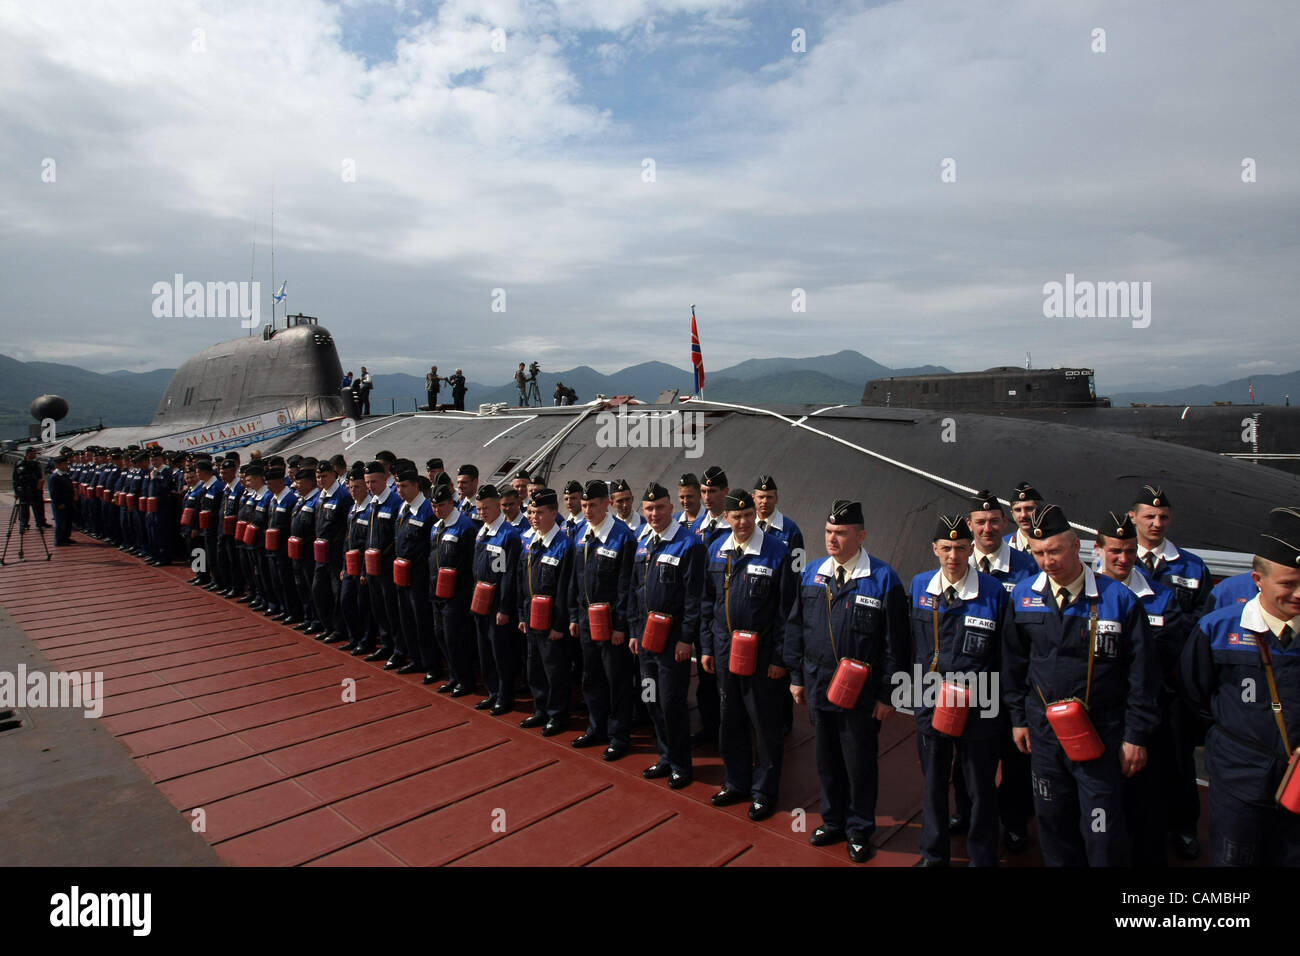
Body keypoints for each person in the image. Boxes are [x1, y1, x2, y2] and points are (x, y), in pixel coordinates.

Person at [1003, 504, 1160, 866]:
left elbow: (1142, 675)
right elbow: (1014, 663)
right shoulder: (1024, 595)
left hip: (1100, 732)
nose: (1047, 561)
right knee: (1053, 823)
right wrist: (1018, 719)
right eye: (1039, 553)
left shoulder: (1118, 601)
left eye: (1055, 551)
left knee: (1102, 828)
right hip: (1044, 732)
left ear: (1077, 546)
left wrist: (1135, 735)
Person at [786, 498, 910, 863]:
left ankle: (859, 828)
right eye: (828, 532)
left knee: (859, 762)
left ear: (861, 535)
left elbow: (896, 645)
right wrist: (796, 676)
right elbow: (796, 627)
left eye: (840, 533)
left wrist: (888, 695)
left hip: (861, 693)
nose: (832, 539)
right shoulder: (812, 574)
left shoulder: (882, 579)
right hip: (820, 683)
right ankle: (833, 820)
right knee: (826, 759)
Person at [1181, 506, 1300, 866]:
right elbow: (1195, 693)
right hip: (1239, 776)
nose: (1298, 594)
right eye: (1288, 584)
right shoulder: (1218, 629)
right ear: (1258, 580)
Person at [908, 515, 1013, 867]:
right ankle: (932, 853)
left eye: (961, 548)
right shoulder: (921, 587)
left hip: (980, 703)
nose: (953, 555)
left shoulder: (993, 592)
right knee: (933, 783)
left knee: (980, 786)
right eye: (946, 548)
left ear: (972, 549)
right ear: (935, 549)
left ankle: (983, 857)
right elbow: (911, 645)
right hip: (930, 700)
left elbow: (1005, 654)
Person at [1094, 510, 1189, 866]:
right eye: (1115, 551)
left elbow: (1170, 658)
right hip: (1100, 716)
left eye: (1130, 551)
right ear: (1099, 549)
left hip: (1147, 717)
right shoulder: (1084, 597)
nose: (1123, 559)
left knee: (1148, 805)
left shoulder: (1161, 598)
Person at [701, 489, 796, 820]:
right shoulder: (716, 550)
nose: (742, 521)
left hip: (762, 652)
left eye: (747, 515)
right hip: (726, 650)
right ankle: (736, 781)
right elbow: (707, 603)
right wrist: (708, 647)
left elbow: (787, 612)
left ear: (755, 515)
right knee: (731, 721)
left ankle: (764, 791)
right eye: (736, 516)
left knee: (765, 725)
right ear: (726, 518)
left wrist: (779, 659)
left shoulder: (776, 553)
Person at [1129, 483, 1209, 858]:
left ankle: (1184, 826)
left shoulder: (1191, 566)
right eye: (1149, 516)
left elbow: (1202, 622)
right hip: (1131, 685)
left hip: (1172, 683)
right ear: (1134, 518)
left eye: (1162, 516)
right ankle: (1141, 826)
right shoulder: (1116, 563)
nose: (1157, 522)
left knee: (1177, 761)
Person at [961, 489, 1039, 853]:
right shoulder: (959, 561)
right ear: (970, 525)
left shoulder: (1026, 569)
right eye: (980, 522)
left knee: (1014, 756)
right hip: (968, 679)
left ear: (1004, 523)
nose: (987, 528)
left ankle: (1014, 821)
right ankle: (965, 813)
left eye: (994, 521)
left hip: (1007, 678)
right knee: (965, 755)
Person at [630, 482, 705, 789]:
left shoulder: (689, 545)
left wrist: (686, 638)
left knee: (672, 702)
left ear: (671, 508)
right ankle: (665, 755)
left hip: (672, 641)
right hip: (646, 639)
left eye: (660, 507)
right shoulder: (642, 540)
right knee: (651, 699)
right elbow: (636, 589)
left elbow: (693, 598)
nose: (654, 514)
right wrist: (635, 630)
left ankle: (680, 764)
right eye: (648, 509)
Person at [568, 479, 638, 760]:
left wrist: (621, 625)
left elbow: (626, 586)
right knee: (591, 676)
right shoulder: (582, 534)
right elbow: (576, 579)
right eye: (584, 505)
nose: (587, 510)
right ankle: (596, 727)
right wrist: (574, 615)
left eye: (593, 505)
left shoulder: (622, 537)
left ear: (607, 504)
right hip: (586, 618)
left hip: (611, 622)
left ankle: (619, 735)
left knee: (617, 680)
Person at [517, 487, 574, 736]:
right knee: (535, 668)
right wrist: (521, 615)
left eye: (540, 512)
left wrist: (559, 625)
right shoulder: (530, 542)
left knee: (555, 671)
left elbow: (565, 590)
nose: (534, 517)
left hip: (551, 622)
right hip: (531, 617)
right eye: (531, 512)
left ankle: (557, 714)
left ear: (554, 513)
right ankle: (540, 709)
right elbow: (523, 582)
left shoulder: (564, 546)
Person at [471, 484, 522, 715]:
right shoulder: (483, 531)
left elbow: (508, 575)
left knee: (500, 652)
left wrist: (504, 607)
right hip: (480, 600)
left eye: (486, 508)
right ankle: (493, 692)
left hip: (496, 604)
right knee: (484, 651)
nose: (482, 513)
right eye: (479, 509)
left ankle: (505, 695)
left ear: (497, 506)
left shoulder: (508, 535)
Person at [428, 481, 478, 693]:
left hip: (457, 593)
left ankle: (466, 679)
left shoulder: (465, 527)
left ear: (451, 503)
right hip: (437, 591)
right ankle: (454, 675)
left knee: (455, 637)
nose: (437, 510)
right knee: (440, 635)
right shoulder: (436, 527)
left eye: (441, 505)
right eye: (434, 506)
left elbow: (470, 562)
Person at [1004, 481, 1042, 555]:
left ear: (1040, 510)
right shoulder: (1003, 545)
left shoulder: (1055, 543)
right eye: (1018, 510)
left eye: (1029, 509)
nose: (1023, 515)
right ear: (1012, 514)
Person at [49, 455, 74, 545]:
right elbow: (54, 493)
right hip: (60, 503)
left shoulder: (65, 474)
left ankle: (66, 537)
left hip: (68, 502)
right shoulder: (55, 477)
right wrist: (59, 503)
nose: (66, 466)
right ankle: (59, 540)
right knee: (60, 522)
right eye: (64, 464)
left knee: (67, 521)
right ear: (58, 465)